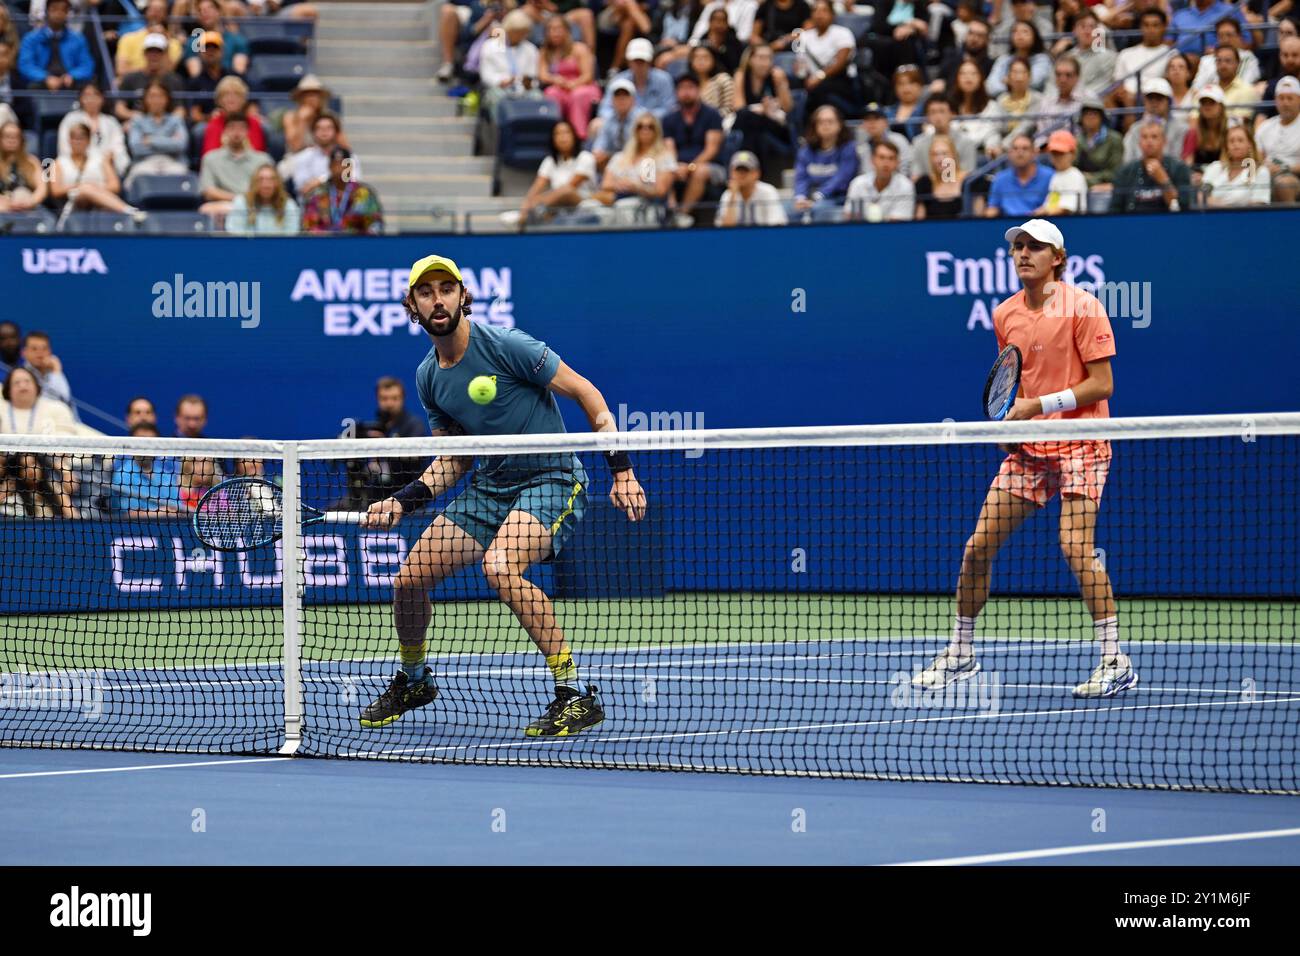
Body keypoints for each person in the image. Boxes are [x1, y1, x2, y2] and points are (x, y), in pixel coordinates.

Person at [356, 254, 647, 738]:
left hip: (551, 480)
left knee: (500, 566)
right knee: (408, 580)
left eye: (446, 289)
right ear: (412, 305)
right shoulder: (429, 377)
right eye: (425, 292)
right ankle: (413, 680)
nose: (438, 299)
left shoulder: (508, 346)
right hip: (489, 489)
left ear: (462, 296)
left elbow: (587, 393)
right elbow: (454, 460)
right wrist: (401, 502)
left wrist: (623, 471)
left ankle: (574, 694)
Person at [912, 218, 1133, 700]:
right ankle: (962, 653)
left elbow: (1102, 385)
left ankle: (1114, 659)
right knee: (976, 549)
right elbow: (1015, 383)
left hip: (1082, 441)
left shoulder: (1085, 307)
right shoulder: (1005, 314)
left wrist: (1039, 406)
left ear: (1058, 257)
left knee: (1075, 547)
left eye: (1036, 247)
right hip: (1032, 448)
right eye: (1018, 247)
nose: (1023, 253)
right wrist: (1014, 426)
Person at [661, 71, 725, 227]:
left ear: (698, 90)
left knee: (700, 171)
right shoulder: (669, 119)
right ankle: (669, 210)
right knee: (663, 169)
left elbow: (711, 150)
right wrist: (675, 166)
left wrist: (690, 167)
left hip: (712, 167)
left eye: (690, 87)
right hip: (679, 166)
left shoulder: (712, 115)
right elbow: (669, 149)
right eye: (682, 88)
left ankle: (682, 215)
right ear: (676, 93)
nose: (686, 92)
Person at [589, 111, 676, 225]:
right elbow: (605, 185)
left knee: (625, 207)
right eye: (640, 126)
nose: (645, 130)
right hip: (615, 198)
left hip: (645, 202)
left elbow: (661, 191)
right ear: (635, 130)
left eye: (650, 127)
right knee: (588, 205)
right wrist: (618, 185)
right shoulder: (620, 156)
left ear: (657, 131)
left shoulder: (664, 157)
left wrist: (636, 186)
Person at [506, 119, 596, 227]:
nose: (562, 137)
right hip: (556, 207)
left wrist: (535, 202)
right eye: (557, 134)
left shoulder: (586, 157)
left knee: (566, 191)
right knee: (533, 205)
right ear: (552, 139)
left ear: (574, 135)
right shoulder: (549, 161)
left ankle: (534, 210)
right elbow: (537, 187)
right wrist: (526, 204)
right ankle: (529, 213)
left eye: (566, 132)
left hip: (583, 204)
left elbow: (569, 189)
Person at [51, 122, 145, 219]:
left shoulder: (101, 159)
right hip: (74, 205)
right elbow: (55, 191)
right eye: (74, 138)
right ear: (69, 140)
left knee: (91, 192)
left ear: (88, 140)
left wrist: (94, 189)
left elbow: (115, 186)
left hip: (103, 206)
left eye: (81, 138)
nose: (77, 142)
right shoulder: (57, 163)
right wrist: (81, 186)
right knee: (85, 189)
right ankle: (128, 210)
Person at [198, 112, 273, 220]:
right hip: (224, 206)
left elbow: (271, 189)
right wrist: (239, 200)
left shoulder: (263, 159)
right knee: (205, 209)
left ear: (248, 131)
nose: (237, 132)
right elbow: (209, 191)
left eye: (241, 128)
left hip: (256, 205)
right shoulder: (210, 158)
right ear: (225, 131)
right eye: (232, 127)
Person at [538, 15, 601, 140]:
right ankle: (555, 138)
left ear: (567, 31)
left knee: (577, 95)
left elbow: (588, 75)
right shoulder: (545, 51)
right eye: (550, 29)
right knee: (551, 93)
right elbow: (543, 75)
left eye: (558, 29)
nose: (554, 33)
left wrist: (573, 84)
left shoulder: (580, 48)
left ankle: (579, 137)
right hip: (560, 87)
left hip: (583, 86)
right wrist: (555, 79)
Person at [793, 104, 858, 221]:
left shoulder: (848, 148)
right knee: (790, 211)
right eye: (821, 122)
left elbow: (842, 178)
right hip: (810, 197)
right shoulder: (805, 150)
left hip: (838, 198)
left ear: (839, 125)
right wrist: (800, 198)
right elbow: (801, 178)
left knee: (819, 210)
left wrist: (818, 196)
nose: (825, 125)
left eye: (830, 121)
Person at [1110, 121, 1195, 211]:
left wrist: (1164, 180)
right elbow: (1115, 209)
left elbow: (1183, 208)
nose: (1149, 142)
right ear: (1139, 142)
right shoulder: (1125, 171)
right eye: (1144, 137)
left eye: (1154, 137)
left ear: (1164, 141)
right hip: (1133, 222)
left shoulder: (1179, 168)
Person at [300, 146, 384, 234]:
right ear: (329, 167)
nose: (340, 169)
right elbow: (308, 225)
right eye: (335, 164)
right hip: (324, 244)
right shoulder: (318, 193)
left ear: (350, 167)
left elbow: (375, 225)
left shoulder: (364, 193)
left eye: (344, 165)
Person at [110, 421, 186, 518]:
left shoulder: (167, 476)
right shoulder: (122, 476)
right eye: (141, 442)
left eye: (150, 442)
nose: (145, 447)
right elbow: (130, 515)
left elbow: (180, 510)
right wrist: (161, 512)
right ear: (130, 445)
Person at [124, 80, 189, 187]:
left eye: (160, 96)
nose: (156, 100)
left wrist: (150, 140)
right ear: (145, 99)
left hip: (173, 163)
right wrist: (168, 140)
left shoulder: (176, 120)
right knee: (135, 179)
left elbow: (180, 145)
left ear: (167, 99)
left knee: (182, 178)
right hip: (144, 163)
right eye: (152, 96)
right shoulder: (137, 121)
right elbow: (136, 148)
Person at [17, 0, 94, 91]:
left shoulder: (78, 39)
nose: (58, 13)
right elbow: (25, 65)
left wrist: (72, 75)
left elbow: (87, 66)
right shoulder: (31, 38)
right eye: (54, 9)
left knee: (86, 87)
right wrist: (45, 77)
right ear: (47, 11)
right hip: (40, 83)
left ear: (67, 13)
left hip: (70, 83)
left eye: (63, 10)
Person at [798, 0, 858, 116]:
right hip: (813, 82)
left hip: (840, 79)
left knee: (821, 91)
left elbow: (840, 61)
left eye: (824, 10)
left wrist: (820, 76)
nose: (819, 15)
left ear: (832, 14)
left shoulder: (842, 33)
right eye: (815, 11)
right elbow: (802, 63)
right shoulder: (804, 37)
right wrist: (801, 74)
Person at [58, 81, 131, 177]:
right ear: (81, 99)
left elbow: (119, 148)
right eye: (87, 95)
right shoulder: (70, 119)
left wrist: (109, 160)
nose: (91, 99)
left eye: (95, 95)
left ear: (102, 98)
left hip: (107, 168)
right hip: (77, 168)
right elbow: (64, 148)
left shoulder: (111, 122)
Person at [479, 10, 541, 120]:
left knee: (537, 96)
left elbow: (533, 75)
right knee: (496, 97)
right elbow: (486, 75)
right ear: (508, 29)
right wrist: (502, 81)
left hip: (524, 90)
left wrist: (528, 82)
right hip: (499, 88)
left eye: (524, 32)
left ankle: (531, 130)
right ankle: (502, 131)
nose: (521, 35)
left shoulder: (531, 49)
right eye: (517, 32)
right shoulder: (490, 46)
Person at [597, 37, 675, 124]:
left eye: (642, 61)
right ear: (629, 62)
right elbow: (604, 110)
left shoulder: (664, 79)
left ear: (649, 61)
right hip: (623, 123)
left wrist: (643, 117)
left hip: (655, 126)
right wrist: (622, 115)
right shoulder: (618, 80)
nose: (638, 65)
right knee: (597, 124)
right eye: (635, 61)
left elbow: (669, 109)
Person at [115, 32, 186, 124]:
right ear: (144, 53)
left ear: (164, 55)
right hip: (138, 123)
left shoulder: (174, 80)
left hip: (167, 124)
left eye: (158, 52)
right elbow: (119, 108)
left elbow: (180, 109)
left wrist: (165, 122)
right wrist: (136, 117)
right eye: (150, 51)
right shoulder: (130, 78)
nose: (154, 56)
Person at [1112, 9, 1174, 107]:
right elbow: (1117, 82)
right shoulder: (1126, 53)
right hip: (1127, 100)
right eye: (1146, 25)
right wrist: (1122, 92)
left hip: (1156, 97)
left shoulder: (1171, 54)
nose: (1151, 30)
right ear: (1140, 27)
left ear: (1163, 27)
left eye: (1155, 25)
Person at [845, 139, 916, 221]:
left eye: (891, 158)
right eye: (881, 157)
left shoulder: (905, 186)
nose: (886, 163)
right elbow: (850, 217)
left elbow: (899, 223)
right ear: (872, 160)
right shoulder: (857, 183)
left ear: (897, 162)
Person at [1203, 122, 1271, 205]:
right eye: (1231, 141)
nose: (1235, 144)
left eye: (1240, 140)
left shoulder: (1260, 171)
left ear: (1249, 144)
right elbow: (1202, 196)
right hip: (1211, 216)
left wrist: (1222, 206)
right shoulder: (1215, 167)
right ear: (1226, 146)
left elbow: (1258, 204)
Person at [1255, 75, 1300, 203]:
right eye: (1281, 98)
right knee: (1248, 179)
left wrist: (1284, 169)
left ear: (1299, 100)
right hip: (1265, 174)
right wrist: (1260, 168)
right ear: (1276, 100)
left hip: (1293, 176)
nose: (1285, 103)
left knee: (1283, 184)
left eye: (1290, 98)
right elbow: (1254, 155)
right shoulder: (1265, 126)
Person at [985, 133, 1053, 216]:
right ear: (1009, 153)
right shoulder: (1000, 179)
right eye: (1015, 149)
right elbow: (993, 209)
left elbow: (1054, 207)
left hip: (1040, 225)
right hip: (1008, 226)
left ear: (1034, 153)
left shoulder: (1050, 176)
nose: (1020, 153)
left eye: (1025, 148)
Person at [1121, 79, 1188, 163]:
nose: (1154, 102)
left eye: (1159, 99)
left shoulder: (1181, 129)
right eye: (1150, 98)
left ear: (1168, 102)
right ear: (1144, 101)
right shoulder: (1135, 128)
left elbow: (1179, 160)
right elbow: (1128, 159)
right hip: (1138, 173)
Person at [911, 97, 977, 181]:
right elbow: (916, 176)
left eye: (942, 111)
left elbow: (968, 175)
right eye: (933, 112)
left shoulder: (967, 142)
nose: (938, 117)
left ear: (952, 114)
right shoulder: (918, 143)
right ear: (927, 116)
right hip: (928, 190)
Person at [715, 149, 787, 224]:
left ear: (757, 173)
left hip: (763, 235)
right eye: (738, 171)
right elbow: (725, 230)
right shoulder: (728, 195)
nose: (741, 175)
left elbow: (776, 226)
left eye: (745, 171)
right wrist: (733, 197)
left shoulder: (768, 191)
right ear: (731, 173)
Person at [227, 162, 301, 235]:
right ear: (254, 183)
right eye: (260, 180)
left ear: (278, 183)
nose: (266, 185)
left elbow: (291, 238)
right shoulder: (241, 202)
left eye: (271, 179)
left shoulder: (288, 205)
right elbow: (235, 235)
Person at [201, 76, 267, 156]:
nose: (231, 98)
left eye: (236, 94)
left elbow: (258, 154)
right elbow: (209, 155)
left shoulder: (253, 123)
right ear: (220, 99)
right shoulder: (214, 124)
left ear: (243, 98)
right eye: (226, 94)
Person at [0, 121, 51, 222]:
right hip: (2, 207)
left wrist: (31, 202)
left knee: (50, 221)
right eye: (7, 136)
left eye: (15, 137)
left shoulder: (32, 161)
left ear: (21, 140)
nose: (11, 140)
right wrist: (6, 202)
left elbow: (42, 189)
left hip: (29, 206)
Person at [987, 20, 1051, 96]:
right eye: (1015, 32)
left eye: (1025, 31)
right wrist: (1015, 85)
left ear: (1034, 36)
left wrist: (1008, 81)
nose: (1019, 35)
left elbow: (1035, 82)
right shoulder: (1003, 59)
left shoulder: (1042, 59)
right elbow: (991, 86)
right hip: (1003, 101)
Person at [1036, 129, 1089, 215]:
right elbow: (1052, 204)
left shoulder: (1075, 176)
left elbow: (1066, 209)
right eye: (1053, 153)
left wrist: (1043, 212)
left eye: (1061, 153)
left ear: (1073, 154)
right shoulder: (1055, 176)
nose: (1056, 157)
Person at [914, 134, 967, 219]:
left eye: (944, 153)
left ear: (954, 155)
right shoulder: (923, 183)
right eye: (935, 154)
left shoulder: (970, 181)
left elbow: (979, 221)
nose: (940, 159)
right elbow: (920, 222)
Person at [1076, 97, 1124, 191]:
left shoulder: (1115, 139)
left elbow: (1116, 171)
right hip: (1080, 185)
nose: (1090, 117)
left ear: (1102, 117)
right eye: (1086, 114)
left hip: (1106, 186)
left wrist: (1093, 177)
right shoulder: (1077, 140)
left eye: (1094, 113)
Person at [1181, 85, 1229, 174]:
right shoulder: (1193, 133)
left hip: (1221, 179)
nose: (1207, 106)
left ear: (1221, 106)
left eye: (1212, 102)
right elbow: (1187, 163)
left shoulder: (1228, 131)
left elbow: (1225, 165)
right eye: (1203, 102)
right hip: (1197, 180)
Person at [20, 331, 73, 407]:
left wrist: (56, 372)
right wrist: (56, 372)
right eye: (34, 349)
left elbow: (66, 400)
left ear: (50, 351)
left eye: (44, 349)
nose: (40, 353)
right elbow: (52, 403)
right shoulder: (20, 375)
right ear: (24, 353)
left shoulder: (54, 371)